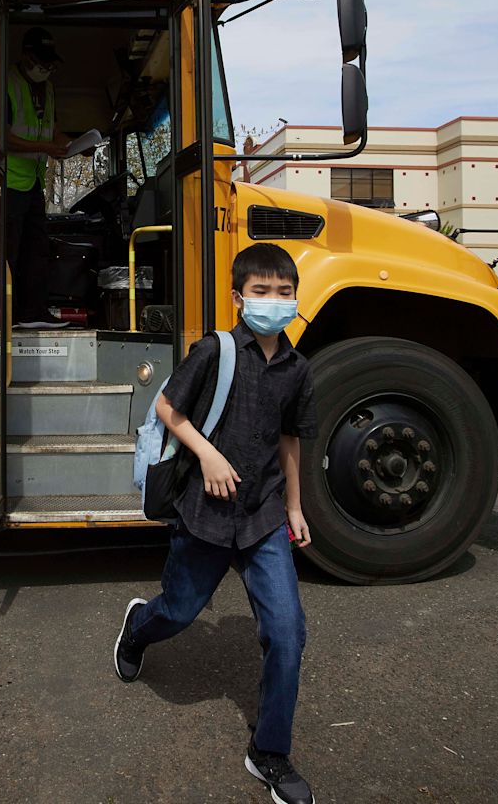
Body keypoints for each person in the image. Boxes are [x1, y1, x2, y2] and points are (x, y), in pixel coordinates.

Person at [113, 243, 318, 804]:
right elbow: (167, 409)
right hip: (204, 516)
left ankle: (270, 753)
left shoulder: (299, 369)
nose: (273, 302)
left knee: (287, 633)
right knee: (179, 612)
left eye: (283, 293)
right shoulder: (216, 350)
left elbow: (290, 440)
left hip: (264, 517)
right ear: (238, 297)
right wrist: (206, 454)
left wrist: (295, 507)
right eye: (261, 292)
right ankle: (138, 628)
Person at [5, 27, 71, 328]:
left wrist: (71, 145)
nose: (47, 68)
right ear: (26, 56)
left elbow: (53, 129)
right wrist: (46, 146)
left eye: (51, 63)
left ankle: (33, 313)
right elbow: (1, 138)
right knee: (10, 254)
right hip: (9, 184)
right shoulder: (6, 82)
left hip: (34, 185)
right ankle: (8, 313)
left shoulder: (49, 89)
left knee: (37, 251)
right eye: (42, 61)